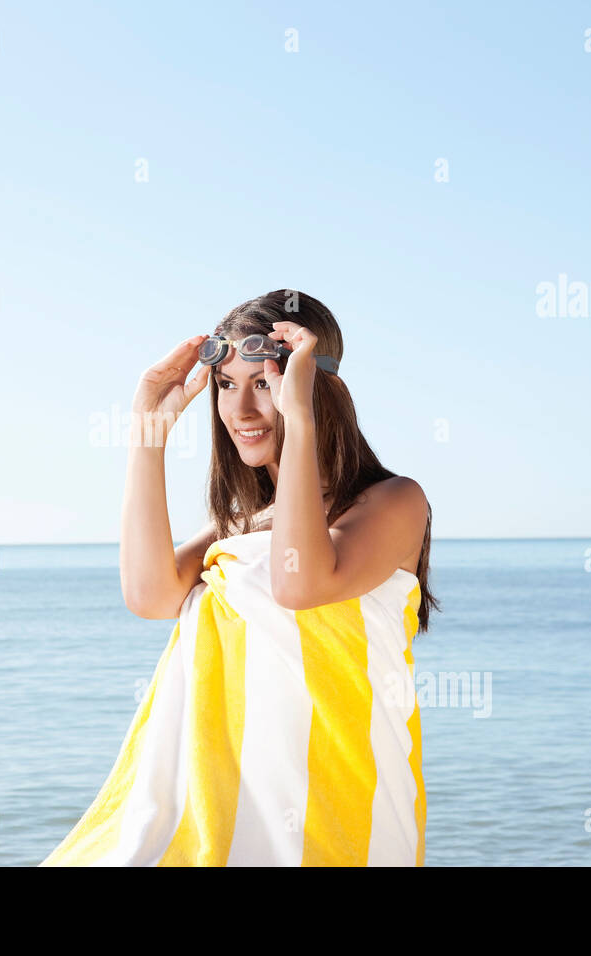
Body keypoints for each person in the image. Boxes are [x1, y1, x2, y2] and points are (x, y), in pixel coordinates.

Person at [42, 289, 440, 866]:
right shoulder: (239, 528)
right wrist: (148, 432)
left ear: (316, 386)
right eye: (227, 385)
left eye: (266, 383)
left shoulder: (394, 503)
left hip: (341, 819)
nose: (242, 411)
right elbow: (149, 595)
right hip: (226, 826)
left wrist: (299, 418)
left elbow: (299, 584)